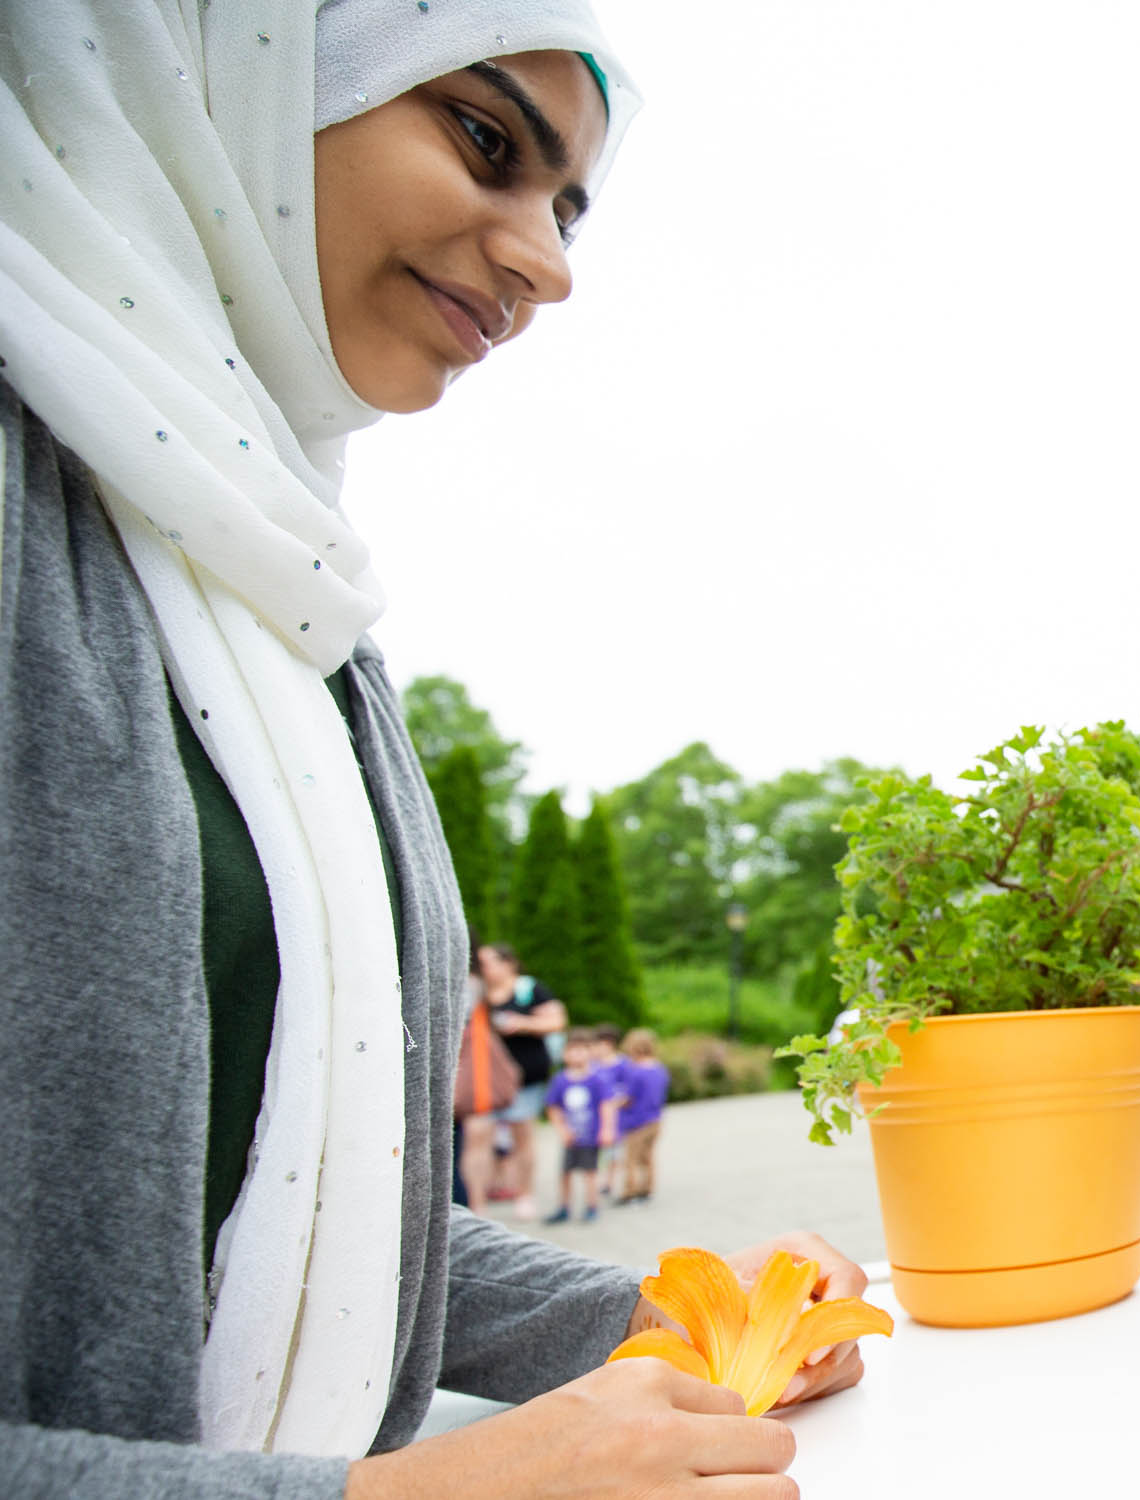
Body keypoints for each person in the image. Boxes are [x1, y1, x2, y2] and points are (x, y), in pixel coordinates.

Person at [0, 8, 862, 1494]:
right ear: (221, 64)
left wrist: (648, 1316)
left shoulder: (279, 588)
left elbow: (283, 1206)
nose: (550, 265)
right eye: (482, 136)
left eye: (568, 206)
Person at [481, 942, 565, 1218]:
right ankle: (486, 1191)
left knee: (522, 1137)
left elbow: (557, 1022)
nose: (482, 968)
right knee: (483, 1137)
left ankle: (524, 1194)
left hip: (524, 1077)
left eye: (488, 962)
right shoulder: (477, 991)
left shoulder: (529, 990)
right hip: (484, 1078)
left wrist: (522, 1023)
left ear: (507, 963)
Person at [453, 932, 519, 1215]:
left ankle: (473, 1205)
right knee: (475, 1145)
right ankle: (476, 1207)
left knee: (468, 1147)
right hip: (471, 1079)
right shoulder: (476, 986)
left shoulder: (467, 985)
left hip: (465, 1077)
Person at [543, 1030, 614, 1225]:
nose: (576, 1055)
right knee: (565, 1173)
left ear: (590, 1052)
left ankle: (592, 1206)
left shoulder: (597, 1079)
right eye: (572, 1051)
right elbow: (553, 1108)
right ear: (565, 1054)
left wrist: (607, 1130)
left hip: (591, 1137)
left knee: (590, 1173)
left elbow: (606, 1106)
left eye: (581, 1050)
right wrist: (562, 1130)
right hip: (570, 1138)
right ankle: (564, 1207)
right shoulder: (560, 1080)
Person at [616, 1027, 670, 1205]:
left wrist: (614, 1104)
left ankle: (629, 1192)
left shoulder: (636, 1071)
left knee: (630, 1159)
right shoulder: (660, 1068)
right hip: (655, 1119)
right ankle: (647, 1188)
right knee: (647, 1157)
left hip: (637, 1122)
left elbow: (628, 1098)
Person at [589, 1023, 627, 1199]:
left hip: (617, 1115)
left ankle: (609, 1182)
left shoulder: (623, 1064)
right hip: (595, 1116)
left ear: (608, 1044)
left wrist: (615, 1104)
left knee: (613, 1151)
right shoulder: (593, 1066)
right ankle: (596, 1180)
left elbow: (628, 1090)